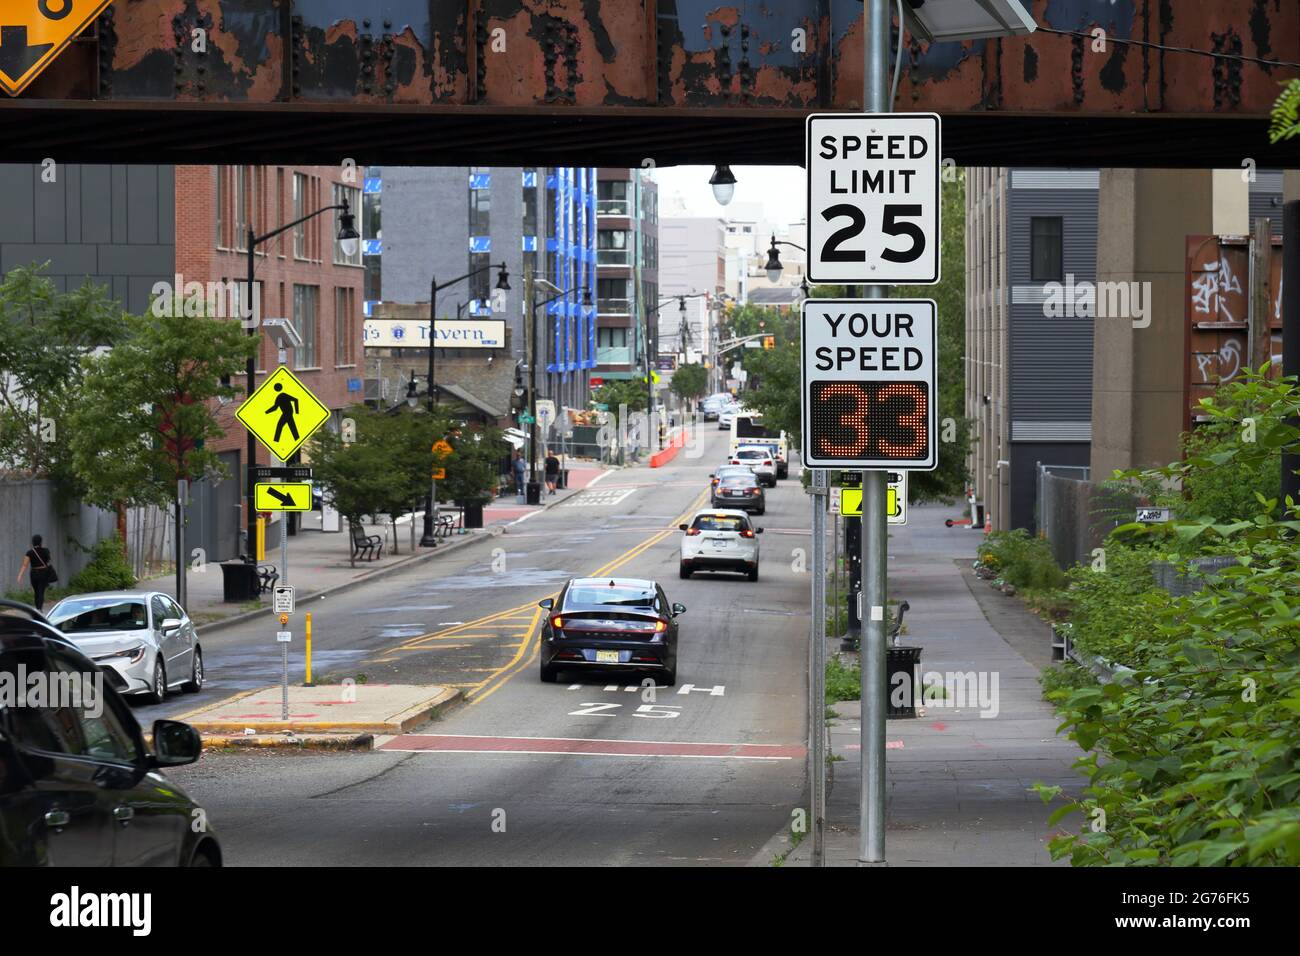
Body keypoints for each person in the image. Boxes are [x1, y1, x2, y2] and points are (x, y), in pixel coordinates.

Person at [16, 534, 56, 611]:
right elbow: (49, 560)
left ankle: (37, 607)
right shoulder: (46, 551)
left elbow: (25, 565)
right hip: (44, 573)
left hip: (34, 573)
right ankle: (39, 608)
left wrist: (20, 576)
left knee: (36, 591)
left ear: (33, 542)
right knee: (41, 590)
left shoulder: (29, 552)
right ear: (41, 542)